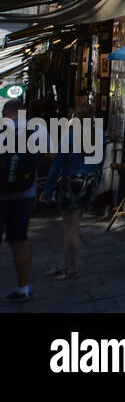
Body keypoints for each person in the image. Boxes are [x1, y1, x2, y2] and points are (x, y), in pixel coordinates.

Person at [39, 102, 102, 281]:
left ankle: (72, 268)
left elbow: (56, 166)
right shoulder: (100, 136)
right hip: (87, 183)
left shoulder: (70, 136)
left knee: (70, 229)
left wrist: (48, 189)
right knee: (73, 227)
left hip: (71, 183)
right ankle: (64, 265)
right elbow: (99, 164)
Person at [0, 101, 44, 302]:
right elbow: (52, 156)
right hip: (25, 194)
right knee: (20, 240)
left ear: (6, 112)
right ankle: (23, 288)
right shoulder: (37, 128)